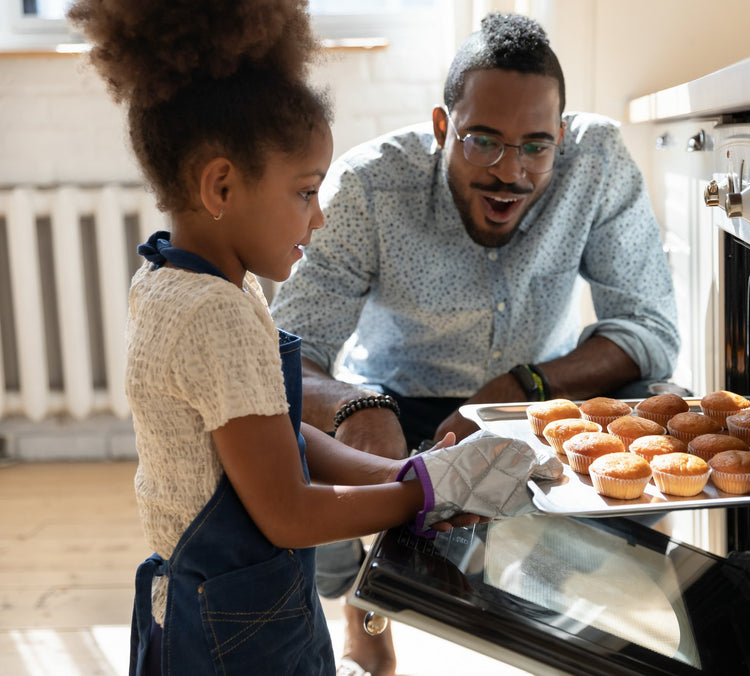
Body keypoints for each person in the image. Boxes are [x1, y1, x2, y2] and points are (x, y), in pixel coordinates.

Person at [67, 2, 561, 674]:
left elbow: (269, 431)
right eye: (306, 192)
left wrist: (401, 474)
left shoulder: (177, 279)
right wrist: (428, 494)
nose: (320, 216)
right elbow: (288, 513)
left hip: (219, 599)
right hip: (235, 631)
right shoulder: (216, 314)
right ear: (221, 185)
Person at [270, 11, 681, 676]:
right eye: (483, 141)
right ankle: (362, 599)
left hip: (536, 403)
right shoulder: (367, 187)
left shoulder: (597, 161)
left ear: (562, 136)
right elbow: (285, 353)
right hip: (393, 407)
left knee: (655, 402)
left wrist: (521, 387)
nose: (509, 172)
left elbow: (649, 328)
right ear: (443, 128)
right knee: (282, 438)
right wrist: (355, 408)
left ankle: (566, 606)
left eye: (535, 146)